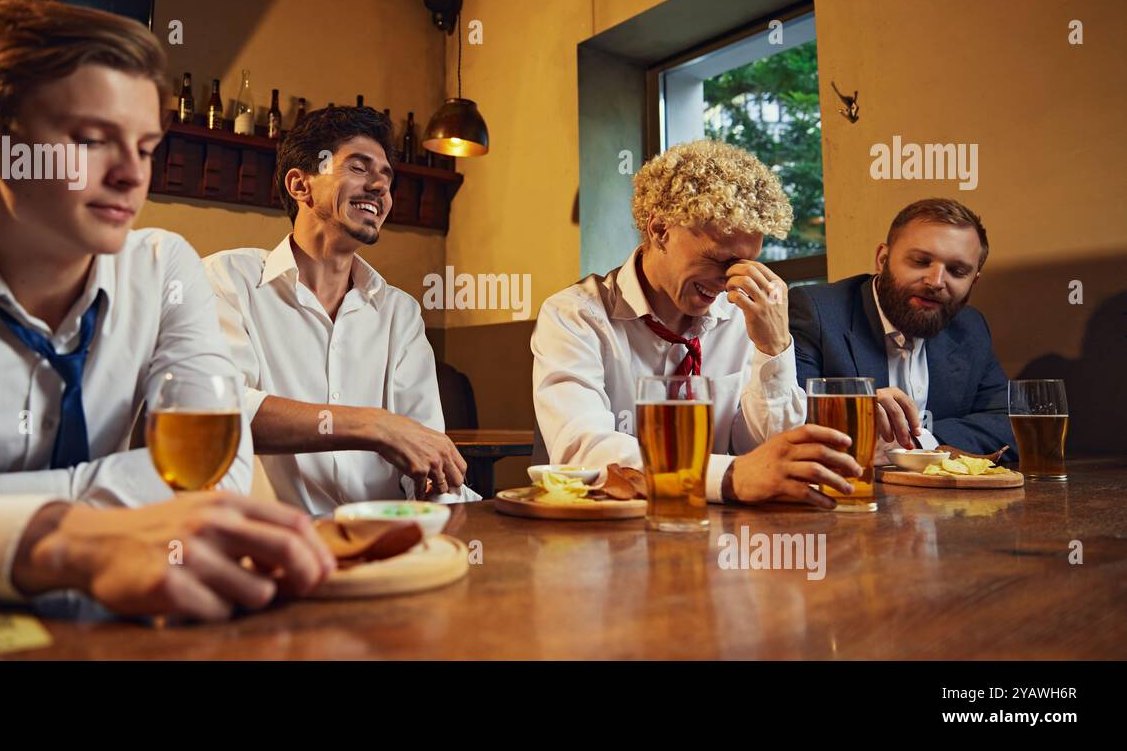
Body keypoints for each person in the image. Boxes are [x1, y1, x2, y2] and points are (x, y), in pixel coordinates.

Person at [0, 0, 332, 616]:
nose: (131, 176)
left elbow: (213, 479)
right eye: (93, 140)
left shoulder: (164, 266)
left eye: (145, 147)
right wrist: (63, 540)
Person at [532, 140, 861, 508]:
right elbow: (583, 451)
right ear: (659, 231)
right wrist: (730, 477)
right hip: (601, 535)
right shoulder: (575, 316)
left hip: (715, 535)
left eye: (748, 263)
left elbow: (772, 457)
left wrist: (775, 348)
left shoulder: (742, 317)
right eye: (720, 261)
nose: (731, 280)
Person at [206, 106, 479, 513]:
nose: (379, 187)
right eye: (358, 167)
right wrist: (373, 424)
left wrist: (437, 506)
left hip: (388, 543)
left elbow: (427, 452)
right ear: (300, 185)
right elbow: (215, 414)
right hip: (271, 551)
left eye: (387, 178)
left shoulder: (400, 313)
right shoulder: (228, 279)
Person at [789, 198, 1016, 461]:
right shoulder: (816, 311)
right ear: (883, 259)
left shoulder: (970, 327)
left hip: (948, 500)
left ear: (973, 280)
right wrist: (860, 421)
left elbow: (1009, 424)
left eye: (956, 271)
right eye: (920, 261)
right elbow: (791, 420)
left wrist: (918, 442)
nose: (936, 282)